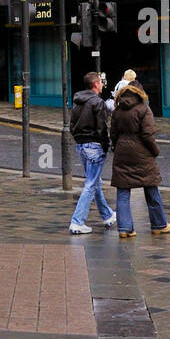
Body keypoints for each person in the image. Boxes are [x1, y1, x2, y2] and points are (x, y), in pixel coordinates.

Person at [109, 81, 170, 237]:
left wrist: (118, 146)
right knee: (151, 187)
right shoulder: (144, 109)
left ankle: (125, 229)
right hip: (142, 153)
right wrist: (155, 151)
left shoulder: (117, 110)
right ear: (140, 93)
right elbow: (147, 135)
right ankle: (159, 225)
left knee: (123, 191)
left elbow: (113, 134)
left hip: (122, 152)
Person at [67, 72, 116, 235]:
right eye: (101, 82)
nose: (102, 84)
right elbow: (102, 127)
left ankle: (107, 215)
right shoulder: (97, 102)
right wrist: (106, 144)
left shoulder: (78, 101)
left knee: (94, 182)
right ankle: (77, 221)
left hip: (81, 145)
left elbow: (72, 124)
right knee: (91, 184)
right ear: (95, 84)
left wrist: (78, 138)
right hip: (94, 145)